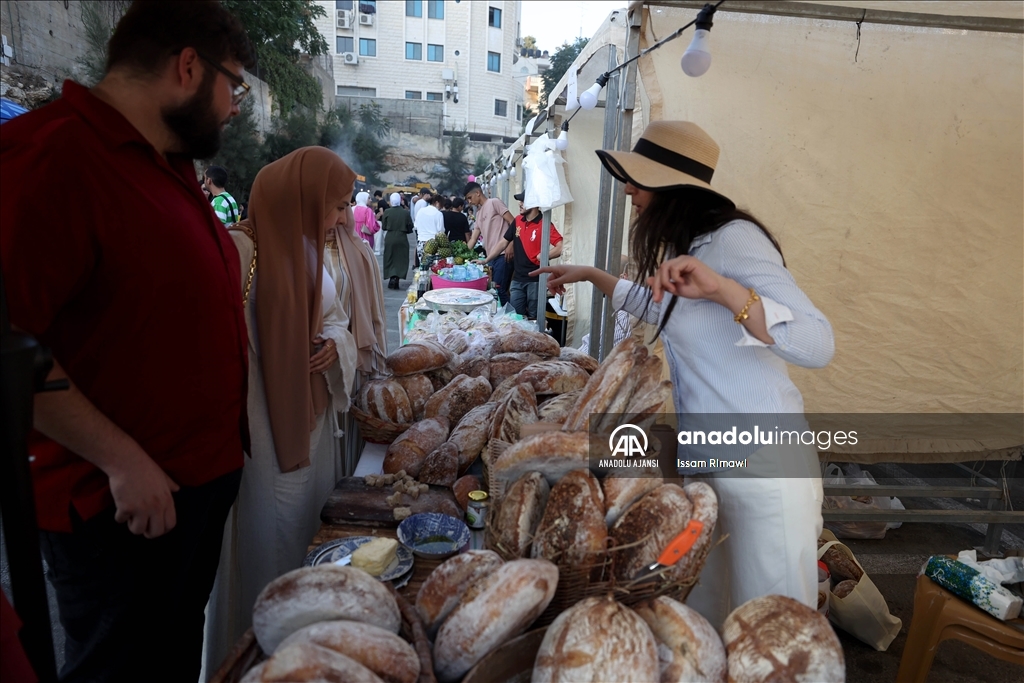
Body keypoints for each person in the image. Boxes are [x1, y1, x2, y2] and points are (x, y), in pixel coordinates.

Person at [0, 2, 254, 681]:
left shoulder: (167, 164)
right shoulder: (53, 156)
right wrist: (120, 460)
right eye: (234, 85)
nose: (234, 108)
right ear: (188, 67)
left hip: (190, 492)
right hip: (122, 506)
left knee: (171, 662)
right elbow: (9, 344)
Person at [534, 120, 833, 630]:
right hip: (709, 463)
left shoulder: (736, 241)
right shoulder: (688, 246)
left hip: (764, 469)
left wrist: (723, 290)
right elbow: (667, 311)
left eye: (637, 181)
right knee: (711, 617)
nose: (628, 191)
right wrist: (591, 275)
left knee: (774, 629)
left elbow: (817, 342)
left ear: (672, 187)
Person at [205, 148, 359, 672]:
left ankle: (307, 655)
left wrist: (336, 345)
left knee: (308, 534)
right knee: (272, 544)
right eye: (336, 206)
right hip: (264, 428)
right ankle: (266, 660)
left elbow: (336, 319)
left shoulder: (309, 247)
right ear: (303, 199)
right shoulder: (239, 248)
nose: (342, 219)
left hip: (312, 423)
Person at [478, 192, 562, 319]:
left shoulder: (544, 223)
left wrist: (545, 256)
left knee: (534, 318)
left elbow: (561, 246)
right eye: (520, 201)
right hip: (517, 279)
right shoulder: (517, 221)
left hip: (536, 281)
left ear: (534, 204)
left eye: (523, 201)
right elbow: (503, 242)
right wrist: (486, 260)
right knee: (516, 317)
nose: (520, 204)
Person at [465, 181, 515, 305]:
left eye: (470, 198)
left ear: (478, 193)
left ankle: (510, 314)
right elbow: (473, 238)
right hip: (491, 257)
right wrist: (461, 255)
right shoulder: (479, 213)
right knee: (494, 291)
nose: (469, 202)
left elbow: (513, 222)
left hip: (503, 255)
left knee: (500, 290)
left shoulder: (494, 202)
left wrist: (511, 244)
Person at [382, 192, 414, 289]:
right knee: (401, 258)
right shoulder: (405, 212)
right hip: (402, 237)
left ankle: (391, 276)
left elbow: (384, 227)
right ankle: (397, 277)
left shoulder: (387, 212)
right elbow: (410, 226)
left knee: (390, 257)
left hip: (390, 237)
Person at [414, 192, 444, 262]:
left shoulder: (420, 211)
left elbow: (415, 226)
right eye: (441, 205)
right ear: (437, 202)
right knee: (433, 266)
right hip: (434, 244)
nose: (442, 207)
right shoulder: (439, 214)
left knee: (423, 265)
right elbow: (441, 231)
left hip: (421, 242)